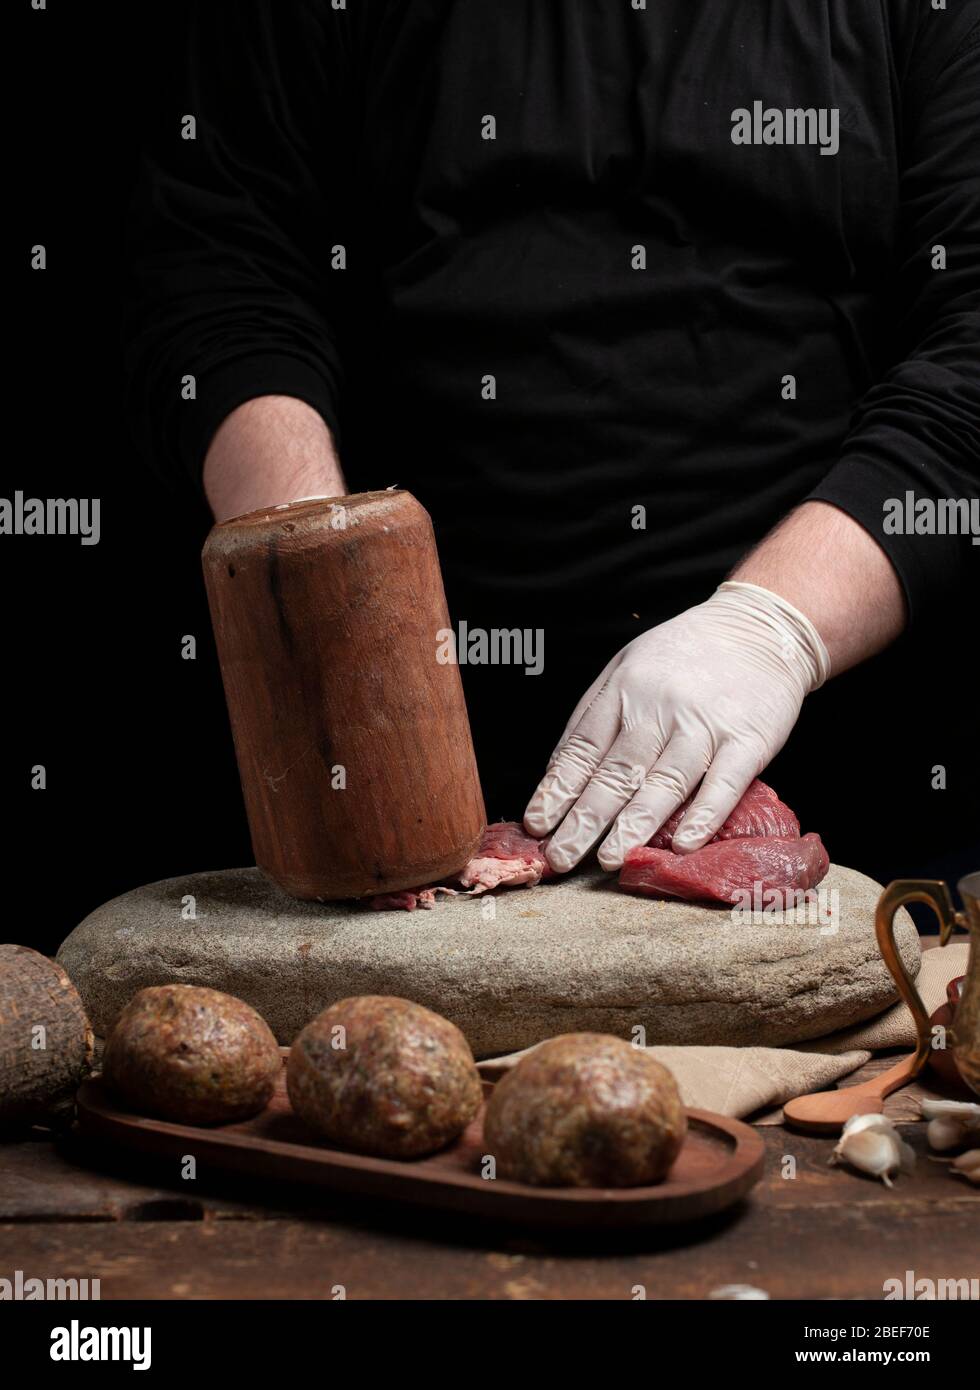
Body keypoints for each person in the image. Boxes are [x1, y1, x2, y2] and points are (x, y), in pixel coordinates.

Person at [126, 1, 979, 880]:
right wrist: (319, 585)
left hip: (854, 762)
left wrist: (773, 630)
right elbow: (219, 258)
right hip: (391, 755)